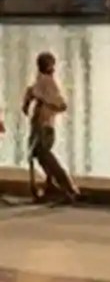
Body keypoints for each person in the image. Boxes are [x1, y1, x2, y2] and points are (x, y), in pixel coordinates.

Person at [22, 52, 80, 204]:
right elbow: (32, 93)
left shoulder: (47, 83)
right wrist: (30, 103)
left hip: (44, 126)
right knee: (39, 155)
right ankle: (53, 186)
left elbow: (60, 105)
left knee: (44, 155)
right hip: (42, 125)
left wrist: (42, 102)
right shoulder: (45, 81)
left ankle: (66, 186)